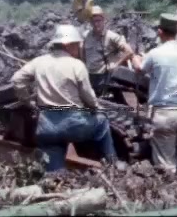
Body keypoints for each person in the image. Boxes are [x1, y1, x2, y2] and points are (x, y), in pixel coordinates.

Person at [10, 24, 117, 172]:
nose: (78, 48)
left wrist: (28, 102)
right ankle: (113, 164)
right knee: (102, 121)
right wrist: (97, 109)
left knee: (54, 172)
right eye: (77, 45)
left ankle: (57, 182)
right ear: (68, 45)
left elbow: (16, 80)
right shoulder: (77, 65)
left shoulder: (39, 61)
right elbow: (89, 98)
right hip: (74, 124)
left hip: (47, 127)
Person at [132, 14, 177, 176]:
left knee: (166, 166)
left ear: (160, 32)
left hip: (165, 113)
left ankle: (172, 195)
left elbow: (140, 69)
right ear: (176, 32)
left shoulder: (155, 54)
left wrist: (135, 58)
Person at [83, 6, 136, 95]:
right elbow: (83, 53)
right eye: (93, 21)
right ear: (90, 22)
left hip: (104, 77)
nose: (96, 24)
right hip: (89, 76)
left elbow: (129, 52)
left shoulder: (112, 36)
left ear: (104, 21)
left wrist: (116, 64)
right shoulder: (86, 36)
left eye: (98, 21)